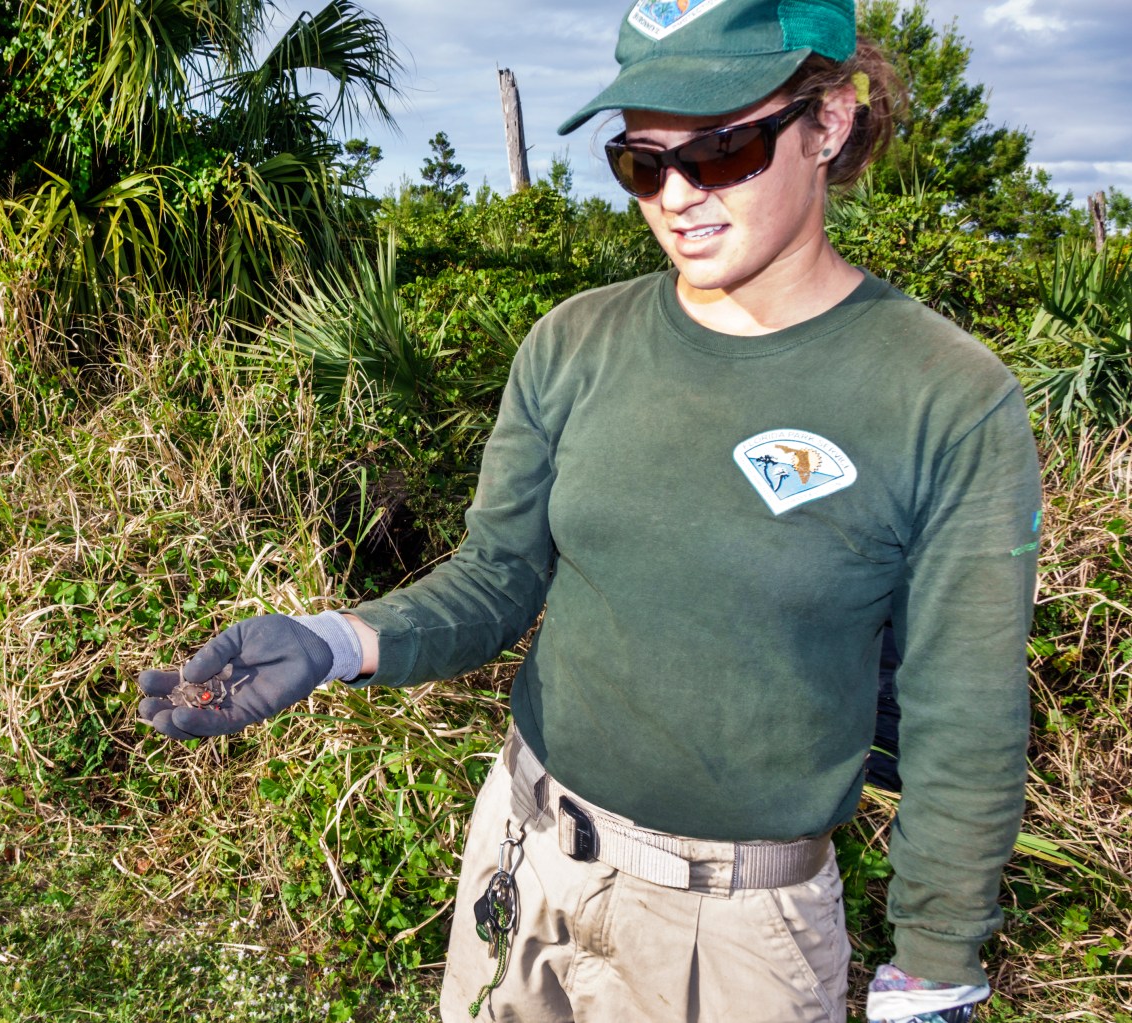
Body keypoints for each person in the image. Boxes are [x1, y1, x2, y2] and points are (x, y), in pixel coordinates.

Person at [138, 2, 1042, 1020]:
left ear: (827, 124)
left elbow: (964, 711)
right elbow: (497, 576)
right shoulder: (576, 342)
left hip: (734, 932)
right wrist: (332, 640)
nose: (678, 198)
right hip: (521, 858)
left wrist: (932, 966)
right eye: (643, 163)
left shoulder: (945, 395)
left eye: (723, 151)